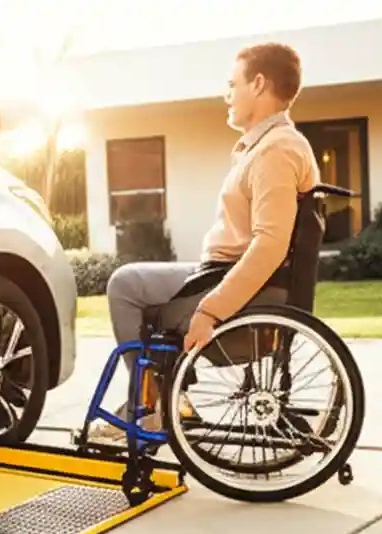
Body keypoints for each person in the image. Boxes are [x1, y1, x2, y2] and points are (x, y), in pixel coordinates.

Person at [91, 41, 320, 441]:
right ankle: (160, 401)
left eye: (233, 84)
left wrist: (211, 310)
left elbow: (270, 245)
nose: (226, 95)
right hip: (222, 273)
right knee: (129, 282)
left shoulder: (277, 150)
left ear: (259, 84)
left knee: (125, 286)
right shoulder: (266, 147)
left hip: (243, 288)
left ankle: (149, 407)